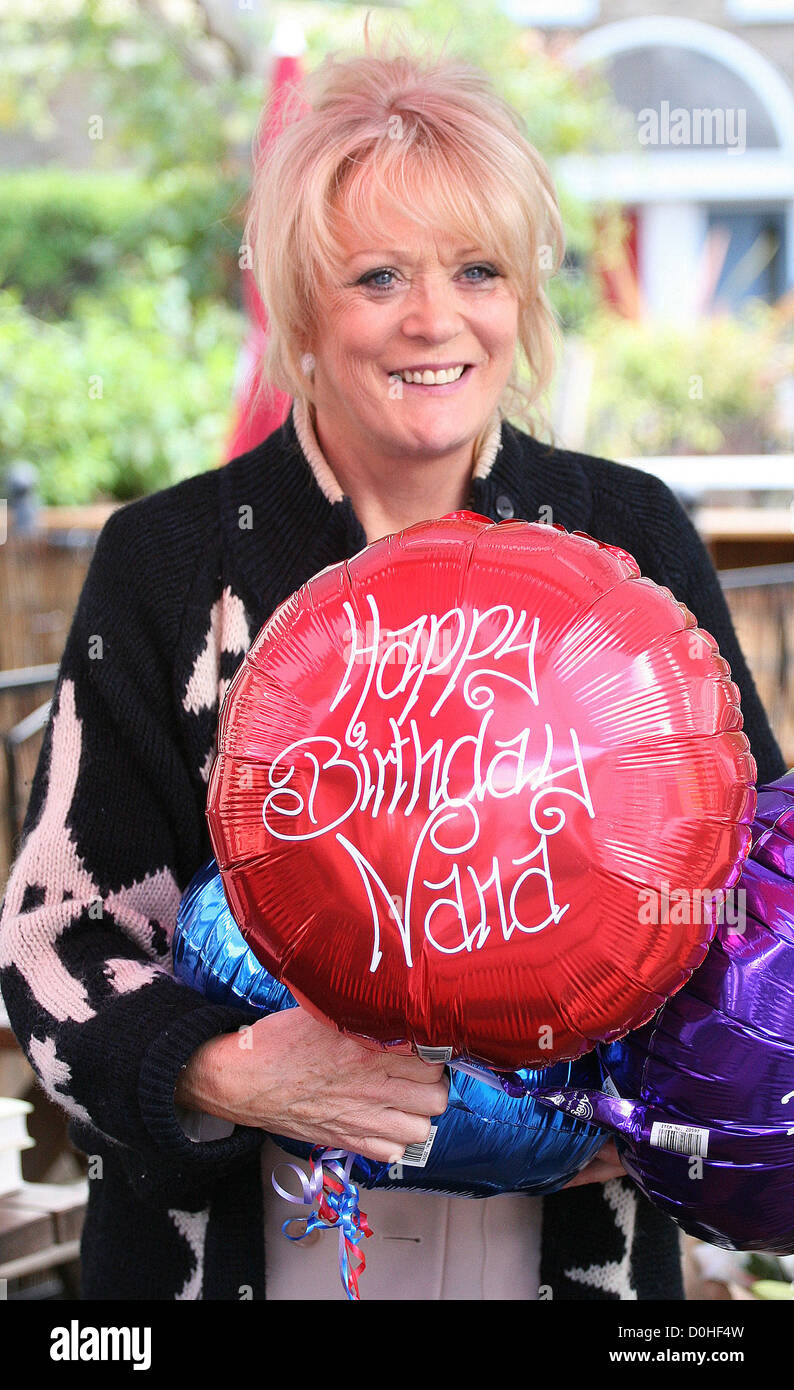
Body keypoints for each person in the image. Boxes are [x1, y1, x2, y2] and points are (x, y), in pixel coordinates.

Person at [0, 32, 786, 1302]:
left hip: (570, 1260)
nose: (435, 319)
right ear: (304, 304)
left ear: (520, 295)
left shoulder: (627, 533)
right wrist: (231, 1072)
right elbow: (54, 946)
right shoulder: (167, 560)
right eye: (378, 276)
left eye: (476, 269)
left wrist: (653, 1111)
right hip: (237, 1252)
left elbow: (750, 908)